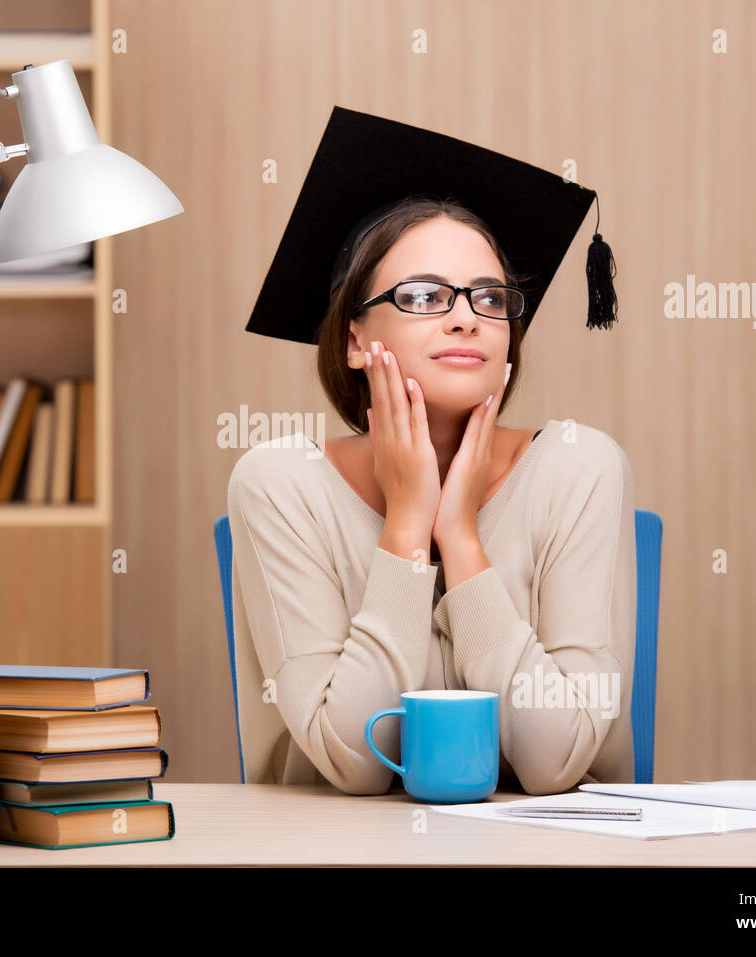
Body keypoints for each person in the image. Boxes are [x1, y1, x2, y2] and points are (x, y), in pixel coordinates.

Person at [227, 106, 635, 796]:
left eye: (489, 296)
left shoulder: (579, 466)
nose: (465, 316)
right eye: (422, 295)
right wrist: (408, 526)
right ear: (354, 338)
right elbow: (358, 763)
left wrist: (462, 539)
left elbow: (553, 759)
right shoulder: (278, 483)